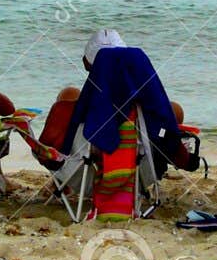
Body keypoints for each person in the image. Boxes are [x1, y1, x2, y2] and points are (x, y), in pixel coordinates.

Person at [36, 28, 199, 174]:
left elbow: (47, 158)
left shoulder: (63, 111)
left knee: (69, 93)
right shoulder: (155, 114)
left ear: (86, 64)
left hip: (81, 178)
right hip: (138, 177)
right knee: (174, 109)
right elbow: (178, 156)